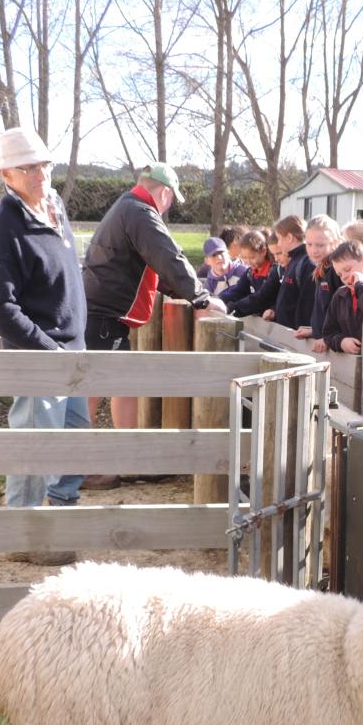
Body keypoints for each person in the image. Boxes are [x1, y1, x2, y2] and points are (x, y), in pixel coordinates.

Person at [0, 127, 88, 564]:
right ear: (7, 174)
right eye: (27, 167)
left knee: (75, 440)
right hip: (41, 354)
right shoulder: (5, 223)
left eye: (43, 164)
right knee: (35, 442)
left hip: (72, 350)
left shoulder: (53, 205)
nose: (39, 173)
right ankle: (24, 534)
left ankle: (59, 522)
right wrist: (48, 349)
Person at [80, 162, 222, 487]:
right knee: (90, 391)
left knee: (122, 387)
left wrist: (187, 293)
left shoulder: (127, 207)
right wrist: (200, 298)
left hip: (103, 313)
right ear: (165, 192)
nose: (170, 206)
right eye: (171, 200)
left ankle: (129, 459)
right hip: (103, 314)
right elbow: (167, 256)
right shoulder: (141, 212)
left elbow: (154, 265)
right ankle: (78, 467)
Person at [253, 215, 312, 329]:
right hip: (288, 334)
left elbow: (307, 304)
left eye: (279, 238)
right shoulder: (293, 262)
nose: (279, 244)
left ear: (289, 237)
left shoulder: (305, 263)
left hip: (298, 338)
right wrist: (275, 309)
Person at [301, 214, 342, 345]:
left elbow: (341, 311)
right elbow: (323, 310)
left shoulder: (338, 271)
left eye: (320, 245)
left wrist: (329, 338)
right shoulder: (322, 268)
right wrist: (315, 331)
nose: (314, 250)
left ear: (335, 242)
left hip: (334, 344)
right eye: (309, 244)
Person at [225, 229, 278, 317]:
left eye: (252, 257)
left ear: (263, 251)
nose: (248, 262)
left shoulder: (273, 272)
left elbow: (260, 298)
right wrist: (220, 300)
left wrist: (231, 308)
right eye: (244, 258)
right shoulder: (250, 272)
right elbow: (237, 291)